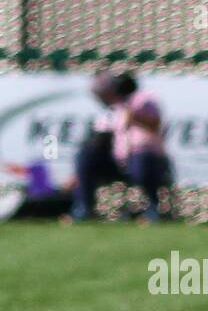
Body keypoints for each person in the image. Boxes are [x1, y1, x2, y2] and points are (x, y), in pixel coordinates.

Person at [70, 72, 171, 222]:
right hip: (120, 160)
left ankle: (153, 209)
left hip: (148, 158)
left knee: (141, 161)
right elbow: (103, 131)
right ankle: (84, 208)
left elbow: (155, 124)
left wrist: (135, 116)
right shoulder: (117, 106)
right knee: (86, 156)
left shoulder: (145, 99)